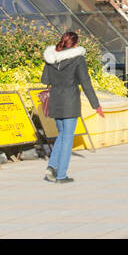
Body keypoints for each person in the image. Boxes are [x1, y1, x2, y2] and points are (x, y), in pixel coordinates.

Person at [40, 31, 104, 184]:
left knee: (61, 135)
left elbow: (44, 80)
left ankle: (52, 166)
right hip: (70, 101)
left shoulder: (51, 57)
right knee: (67, 138)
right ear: (75, 44)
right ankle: (61, 175)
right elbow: (85, 83)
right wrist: (96, 105)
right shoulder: (78, 59)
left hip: (55, 100)